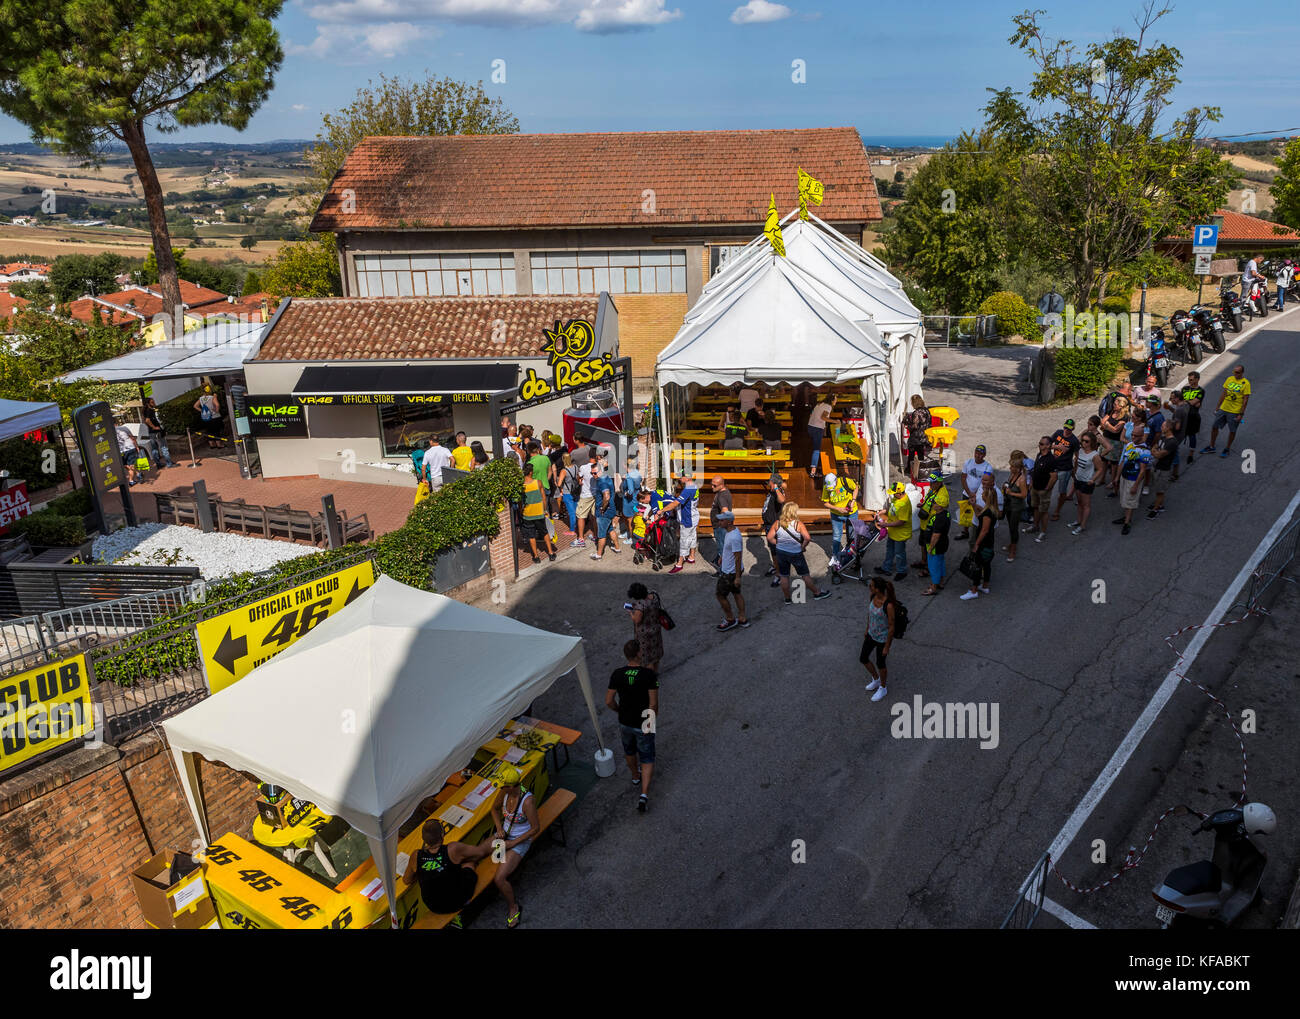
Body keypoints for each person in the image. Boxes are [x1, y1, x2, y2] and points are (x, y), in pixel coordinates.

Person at [401, 818, 493, 925]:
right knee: (470, 863)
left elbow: (406, 880)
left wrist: (424, 871)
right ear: (442, 834)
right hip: (458, 900)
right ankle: (500, 842)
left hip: (434, 906)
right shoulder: (452, 848)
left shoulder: (416, 855)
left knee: (453, 868)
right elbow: (480, 853)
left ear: (423, 839)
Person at [606, 638, 659, 814]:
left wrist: (619, 710)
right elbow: (653, 704)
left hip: (625, 720)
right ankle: (644, 794)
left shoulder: (617, 674)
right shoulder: (649, 675)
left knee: (629, 750)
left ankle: (635, 777)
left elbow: (608, 701)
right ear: (639, 653)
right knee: (647, 756)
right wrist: (650, 721)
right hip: (643, 720)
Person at [489, 765, 539, 929]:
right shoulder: (505, 791)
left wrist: (512, 843)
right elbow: (494, 809)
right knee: (480, 853)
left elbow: (535, 828)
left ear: (512, 786)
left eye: (503, 786)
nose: (501, 788)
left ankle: (513, 907)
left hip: (520, 840)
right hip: (506, 835)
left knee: (499, 878)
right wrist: (499, 828)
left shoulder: (528, 801)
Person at [766, 502, 831, 603]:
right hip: (795, 553)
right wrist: (802, 546)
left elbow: (769, 538)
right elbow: (807, 538)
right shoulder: (798, 524)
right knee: (804, 575)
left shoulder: (777, 523)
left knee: (784, 576)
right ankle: (817, 593)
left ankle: (787, 598)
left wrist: (779, 543)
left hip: (781, 552)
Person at [1202, 363, 1251, 459]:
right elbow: (1223, 394)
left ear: (1242, 373)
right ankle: (1212, 446)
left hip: (1234, 411)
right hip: (1223, 408)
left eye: (1237, 372)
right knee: (1214, 426)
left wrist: (1241, 414)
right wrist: (1217, 407)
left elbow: (1245, 400)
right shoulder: (1229, 379)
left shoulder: (1246, 383)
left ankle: (1227, 448)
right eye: (1234, 372)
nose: (1235, 374)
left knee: (1232, 430)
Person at [861, 577, 897, 702]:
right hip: (871, 634)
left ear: (877, 589)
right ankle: (876, 679)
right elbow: (870, 614)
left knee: (880, 663)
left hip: (882, 639)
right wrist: (867, 629)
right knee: (863, 658)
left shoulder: (889, 605)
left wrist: (887, 646)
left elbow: (892, 627)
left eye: (871, 586)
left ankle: (883, 687)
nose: (869, 587)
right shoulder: (873, 597)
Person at [714, 511, 748, 631]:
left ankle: (730, 619)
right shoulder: (730, 531)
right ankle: (742, 618)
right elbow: (730, 549)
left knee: (720, 595)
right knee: (736, 592)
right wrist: (723, 557)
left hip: (730, 573)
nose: (719, 522)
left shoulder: (734, 537)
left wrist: (737, 577)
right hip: (731, 570)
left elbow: (738, 557)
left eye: (722, 520)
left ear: (729, 522)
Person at [960, 492, 997, 600]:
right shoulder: (991, 510)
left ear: (987, 497)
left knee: (977, 565)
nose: (981, 495)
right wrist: (973, 505)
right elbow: (979, 514)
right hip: (989, 542)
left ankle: (974, 590)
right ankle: (985, 586)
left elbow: (984, 530)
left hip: (983, 543)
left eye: (983, 494)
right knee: (986, 564)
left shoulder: (987, 513)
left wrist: (976, 544)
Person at [1113, 431, 1151, 535]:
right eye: (1132, 434)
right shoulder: (1130, 444)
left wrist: (1136, 485)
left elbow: (1143, 470)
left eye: (1136, 435)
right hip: (1125, 476)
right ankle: (1126, 517)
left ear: (1141, 436)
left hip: (1133, 479)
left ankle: (1127, 523)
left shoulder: (1145, 451)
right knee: (1124, 498)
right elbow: (1123, 461)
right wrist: (1117, 477)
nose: (1133, 437)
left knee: (1130, 501)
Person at [519, 462, 556, 564]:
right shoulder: (538, 483)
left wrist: (521, 511)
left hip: (528, 514)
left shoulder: (521, 486)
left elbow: (520, 502)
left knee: (531, 535)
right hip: (539, 513)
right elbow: (544, 498)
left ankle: (536, 556)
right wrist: (545, 510)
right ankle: (551, 553)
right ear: (531, 472)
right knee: (544, 532)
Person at [913, 472, 950, 574]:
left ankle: (929, 568)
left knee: (930, 548)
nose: (930, 484)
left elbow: (940, 509)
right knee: (923, 544)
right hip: (924, 524)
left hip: (932, 526)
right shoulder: (932, 488)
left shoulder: (942, 495)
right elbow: (929, 502)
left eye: (933, 483)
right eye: (930, 482)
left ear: (939, 482)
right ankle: (923, 562)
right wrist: (923, 505)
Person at [875, 481, 912, 581]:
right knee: (890, 550)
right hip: (893, 531)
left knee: (899, 553)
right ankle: (886, 568)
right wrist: (882, 512)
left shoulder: (904, 504)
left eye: (894, 493)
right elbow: (892, 508)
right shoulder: (896, 498)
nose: (892, 495)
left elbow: (901, 522)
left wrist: (885, 524)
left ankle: (902, 571)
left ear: (900, 493)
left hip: (900, 534)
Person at [956, 444, 993, 540]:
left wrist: (975, 495)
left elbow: (985, 483)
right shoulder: (968, 463)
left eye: (980, 454)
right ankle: (965, 532)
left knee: (978, 514)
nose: (978, 455)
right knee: (965, 514)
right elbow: (963, 478)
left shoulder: (988, 467)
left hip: (980, 496)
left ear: (984, 455)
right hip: (967, 493)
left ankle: (978, 533)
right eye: (976, 453)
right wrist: (969, 493)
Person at [821, 470, 859, 561]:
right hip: (836, 515)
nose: (831, 489)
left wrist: (853, 501)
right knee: (837, 536)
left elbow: (856, 488)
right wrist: (838, 509)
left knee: (852, 535)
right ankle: (835, 556)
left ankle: (851, 556)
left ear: (836, 481)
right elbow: (825, 503)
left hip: (851, 513)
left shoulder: (844, 481)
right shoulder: (826, 487)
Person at [626, 582, 664, 672]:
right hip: (656, 630)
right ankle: (656, 672)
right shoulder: (654, 595)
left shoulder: (640, 605)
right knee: (655, 655)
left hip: (645, 636)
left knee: (648, 660)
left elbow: (636, 620)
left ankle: (650, 678)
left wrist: (630, 612)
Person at [1070, 432, 1103, 535]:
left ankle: (1083, 525)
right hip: (1078, 479)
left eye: (1086, 441)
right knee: (1079, 502)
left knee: (1086, 504)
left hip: (1087, 482)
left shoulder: (1095, 455)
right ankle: (1078, 521)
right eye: (1082, 440)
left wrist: (1092, 479)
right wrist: (1074, 474)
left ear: (1092, 443)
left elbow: (1100, 469)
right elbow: (1076, 463)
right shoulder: (1080, 451)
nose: (1083, 443)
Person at [665, 474, 698, 573]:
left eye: (681, 477)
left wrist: (662, 510)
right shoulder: (694, 485)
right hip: (694, 516)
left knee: (684, 540)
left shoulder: (688, 489)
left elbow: (675, 503)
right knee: (692, 537)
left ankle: (679, 564)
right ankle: (691, 557)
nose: (679, 478)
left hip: (687, 518)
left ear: (687, 477)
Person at [590, 460, 622, 560]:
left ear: (600, 471)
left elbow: (606, 496)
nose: (593, 475)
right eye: (591, 473)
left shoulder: (602, 482)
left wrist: (602, 508)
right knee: (610, 530)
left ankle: (598, 554)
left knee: (601, 534)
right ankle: (617, 548)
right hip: (611, 509)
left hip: (604, 512)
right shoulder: (607, 477)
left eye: (595, 473)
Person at [1048, 419, 1079, 521]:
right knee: (1047, 488)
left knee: (1061, 492)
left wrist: (1075, 470)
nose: (1066, 430)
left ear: (1073, 429)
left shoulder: (1074, 440)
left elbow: (1077, 456)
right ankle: (1045, 507)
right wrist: (1058, 446)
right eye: (1065, 427)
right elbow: (1046, 445)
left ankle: (1057, 511)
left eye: (1069, 429)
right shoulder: (1058, 433)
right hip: (1053, 466)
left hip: (1065, 469)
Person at [1147, 419, 1178, 519]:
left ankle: (1156, 509)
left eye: (1163, 426)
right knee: (1157, 488)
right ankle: (1159, 503)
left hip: (1163, 470)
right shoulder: (1163, 437)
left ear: (1168, 428)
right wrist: (1155, 451)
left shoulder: (1172, 442)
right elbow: (1154, 448)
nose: (1161, 427)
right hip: (1157, 467)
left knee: (1160, 491)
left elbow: (1159, 454)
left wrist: (1155, 452)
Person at [1027, 436, 1056, 543]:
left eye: (1042, 444)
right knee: (1035, 507)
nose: (1040, 445)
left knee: (1043, 511)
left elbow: (1054, 477)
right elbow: (1035, 470)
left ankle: (1043, 532)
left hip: (1043, 490)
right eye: (1040, 443)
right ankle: (1035, 526)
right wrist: (1032, 483)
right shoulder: (1039, 455)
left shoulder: (1051, 459)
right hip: (1035, 488)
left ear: (1048, 446)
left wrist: (1047, 489)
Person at [1001, 452, 1029, 562]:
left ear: (1017, 468)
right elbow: (1009, 486)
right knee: (1010, 526)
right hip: (1009, 505)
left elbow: (1024, 494)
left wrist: (1011, 493)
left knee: (1014, 528)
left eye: (1012, 466)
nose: (1010, 468)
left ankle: (1013, 549)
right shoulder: (1012, 475)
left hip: (1016, 508)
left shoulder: (1021, 479)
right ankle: (1011, 544)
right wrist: (1005, 486)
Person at [760, 473, 787, 585]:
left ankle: (779, 574)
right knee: (773, 550)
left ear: (774, 483)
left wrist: (776, 488)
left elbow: (782, 500)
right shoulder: (772, 492)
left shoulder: (777, 492)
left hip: (774, 526)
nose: (768, 484)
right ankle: (776, 568)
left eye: (770, 482)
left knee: (776, 551)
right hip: (768, 524)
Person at [921, 494, 951, 596]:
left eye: (935, 502)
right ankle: (941, 582)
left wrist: (930, 548)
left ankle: (933, 587)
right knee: (940, 563)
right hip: (943, 544)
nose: (933, 503)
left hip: (936, 546)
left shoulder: (939, 518)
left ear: (940, 505)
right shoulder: (946, 514)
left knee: (933, 566)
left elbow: (936, 535)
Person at [708, 475, 732, 574]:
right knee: (722, 547)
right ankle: (718, 560)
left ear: (721, 485)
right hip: (721, 527)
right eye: (711, 484)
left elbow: (725, 511)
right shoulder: (724, 492)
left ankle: (723, 571)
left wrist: (721, 524)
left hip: (720, 527)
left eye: (714, 485)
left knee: (723, 549)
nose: (712, 487)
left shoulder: (722, 496)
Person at [904, 394, 931, 484]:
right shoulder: (927, 411)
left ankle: (909, 470)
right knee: (920, 454)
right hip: (924, 436)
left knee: (911, 454)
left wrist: (907, 426)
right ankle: (921, 470)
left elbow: (914, 426)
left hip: (916, 437)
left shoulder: (916, 413)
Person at [806, 393, 835, 476]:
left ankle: (815, 465)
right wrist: (835, 421)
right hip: (817, 429)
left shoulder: (819, 404)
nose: (836, 401)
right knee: (816, 450)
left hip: (810, 427)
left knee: (816, 448)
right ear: (832, 401)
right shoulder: (828, 407)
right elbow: (823, 417)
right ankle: (813, 472)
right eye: (835, 400)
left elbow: (812, 414)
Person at [141, 398, 173, 469]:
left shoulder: (145, 411)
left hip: (151, 433)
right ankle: (169, 463)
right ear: (148, 404)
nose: (154, 403)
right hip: (157, 432)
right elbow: (147, 420)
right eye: (152, 402)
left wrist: (151, 427)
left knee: (154, 449)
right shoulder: (150, 411)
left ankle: (158, 464)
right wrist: (154, 427)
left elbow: (145, 421)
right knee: (164, 447)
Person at [618, 452, 643, 544]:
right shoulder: (637, 473)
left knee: (630, 520)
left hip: (629, 500)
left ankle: (631, 538)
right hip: (636, 498)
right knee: (628, 517)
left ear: (625, 465)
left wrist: (625, 493)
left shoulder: (628, 476)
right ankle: (628, 533)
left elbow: (631, 491)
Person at [573, 451, 597, 547]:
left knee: (581, 516)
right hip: (596, 495)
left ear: (589, 456)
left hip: (586, 495)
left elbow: (578, 477)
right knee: (594, 516)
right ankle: (596, 536)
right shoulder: (600, 467)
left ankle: (581, 539)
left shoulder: (583, 467)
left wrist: (579, 480)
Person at [1164, 390, 1189, 481]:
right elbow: (1179, 415)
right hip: (1182, 434)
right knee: (1174, 452)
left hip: (1176, 435)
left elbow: (1177, 426)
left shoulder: (1179, 409)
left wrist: (1169, 423)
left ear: (1177, 398)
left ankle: (1174, 474)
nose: (1170, 400)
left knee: (1174, 453)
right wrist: (1170, 408)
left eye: (1171, 398)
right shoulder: (1185, 405)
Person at [1180, 372, 1204, 465]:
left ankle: (1190, 455)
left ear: (1197, 379)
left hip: (1193, 417)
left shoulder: (1201, 390)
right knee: (1178, 432)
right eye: (1188, 379)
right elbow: (1180, 401)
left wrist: (1186, 402)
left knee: (1192, 436)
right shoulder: (1184, 389)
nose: (1189, 381)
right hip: (1183, 415)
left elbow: (1194, 403)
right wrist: (1190, 402)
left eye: (1191, 379)